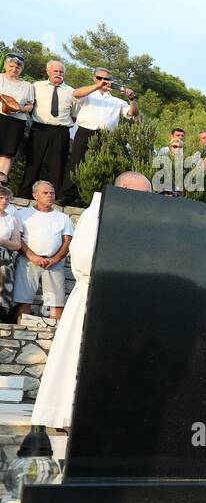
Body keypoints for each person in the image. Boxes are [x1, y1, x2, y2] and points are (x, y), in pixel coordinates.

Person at [31, 170, 151, 429]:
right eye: (144, 194)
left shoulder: (136, 220)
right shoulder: (96, 214)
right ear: (125, 190)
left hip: (122, 299)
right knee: (79, 356)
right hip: (94, 296)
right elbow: (85, 258)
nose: (149, 201)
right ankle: (72, 414)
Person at [64, 69, 138, 203]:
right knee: (76, 163)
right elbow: (75, 94)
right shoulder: (89, 95)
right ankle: (67, 196)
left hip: (105, 135)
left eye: (107, 79)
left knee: (101, 165)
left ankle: (89, 198)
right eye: (99, 78)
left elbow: (133, 113)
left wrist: (131, 99)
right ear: (94, 78)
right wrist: (97, 86)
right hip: (85, 131)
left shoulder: (117, 101)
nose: (104, 81)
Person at [14, 180, 74, 321]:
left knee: (56, 303)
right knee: (24, 300)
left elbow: (67, 241)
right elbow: (18, 239)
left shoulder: (63, 218)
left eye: (52, 193)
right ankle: (21, 333)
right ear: (35, 196)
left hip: (54, 264)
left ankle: (54, 335)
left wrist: (54, 259)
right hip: (27, 262)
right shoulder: (23, 214)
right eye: (45, 193)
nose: (50, 196)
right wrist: (33, 257)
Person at [20, 61, 76, 197]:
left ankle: (55, 195)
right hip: (39, 128)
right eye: (55, 71)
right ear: (48, 72)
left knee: (58, 164)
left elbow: (74, 114)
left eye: (61, 72)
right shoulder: (36, 86)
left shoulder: (71, 91)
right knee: (33, 161)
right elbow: (30, 104)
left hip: (60, 130)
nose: (58, 74)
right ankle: (25, 192)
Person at [0, 54, 36, 186]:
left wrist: (18, 109)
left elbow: (30, 105)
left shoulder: (27, 85)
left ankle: (1, 182)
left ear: (22, 69)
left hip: (16, 121)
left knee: (7, 152)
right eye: (11, 66)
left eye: (18, 67)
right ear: (5, 65)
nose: (14, 69)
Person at [0, 185, 22, 320]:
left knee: (4, 279)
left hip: (4, 254)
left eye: (7, 199)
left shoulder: (11, 218)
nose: (4, 201)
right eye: (1, 198)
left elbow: (17, 244)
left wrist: (1, 241)